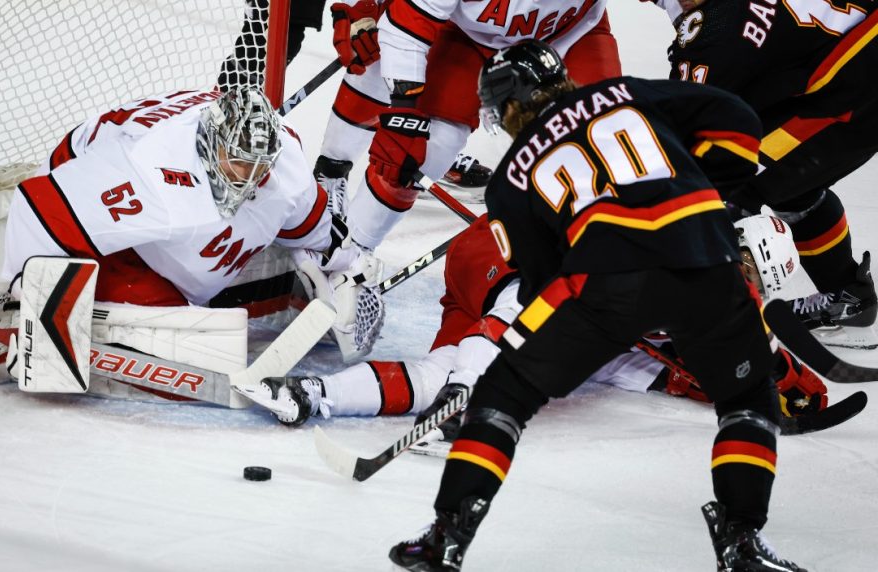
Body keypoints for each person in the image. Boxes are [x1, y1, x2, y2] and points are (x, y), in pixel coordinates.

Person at [388, 41, 807, 571]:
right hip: (708, 259)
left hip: (602, 279)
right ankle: (742, 543)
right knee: (747, 398)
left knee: (502, 392)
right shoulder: (623, 92)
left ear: (509, 104)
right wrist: (706, 190)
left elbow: (542, 278)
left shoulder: (511, 175)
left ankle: (447, 535)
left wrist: (600, 318)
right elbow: (737, 116)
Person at [0, 87, 381, 391]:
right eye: (238, 164)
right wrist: (34, 302)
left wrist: (348, 274)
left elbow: (320, 234)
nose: (250, 178)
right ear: (209, 145)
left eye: (259, 166)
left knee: (264, 274)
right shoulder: (151, 168)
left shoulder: (285, 169)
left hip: (172, 232)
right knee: (203, 353)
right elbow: (39, 208)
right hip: (99, 224)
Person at [243, 215, 827, 436]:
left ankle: (316, 396)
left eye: (756, 277)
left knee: (436, 370)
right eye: (748, 265)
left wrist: (771, 388)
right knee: (530, 307)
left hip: (501, 292)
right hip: (501, 254)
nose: (747, 281)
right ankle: (466, 387)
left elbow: (678, 365)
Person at [316, 0, 623, 239]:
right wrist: (405, 117)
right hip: (466, 32)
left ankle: (592, 253)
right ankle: (349, 253)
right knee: (421, 152)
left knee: (605, 142)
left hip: (571, 31)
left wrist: (675, 35)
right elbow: (406, 31)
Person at [665, 0, 878, 339]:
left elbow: (686, 128)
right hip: (847, 71)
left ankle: (725, 323)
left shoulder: (712, 28)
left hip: (857, 91)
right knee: (791, 181)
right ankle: (848, 295)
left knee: (726, 186)